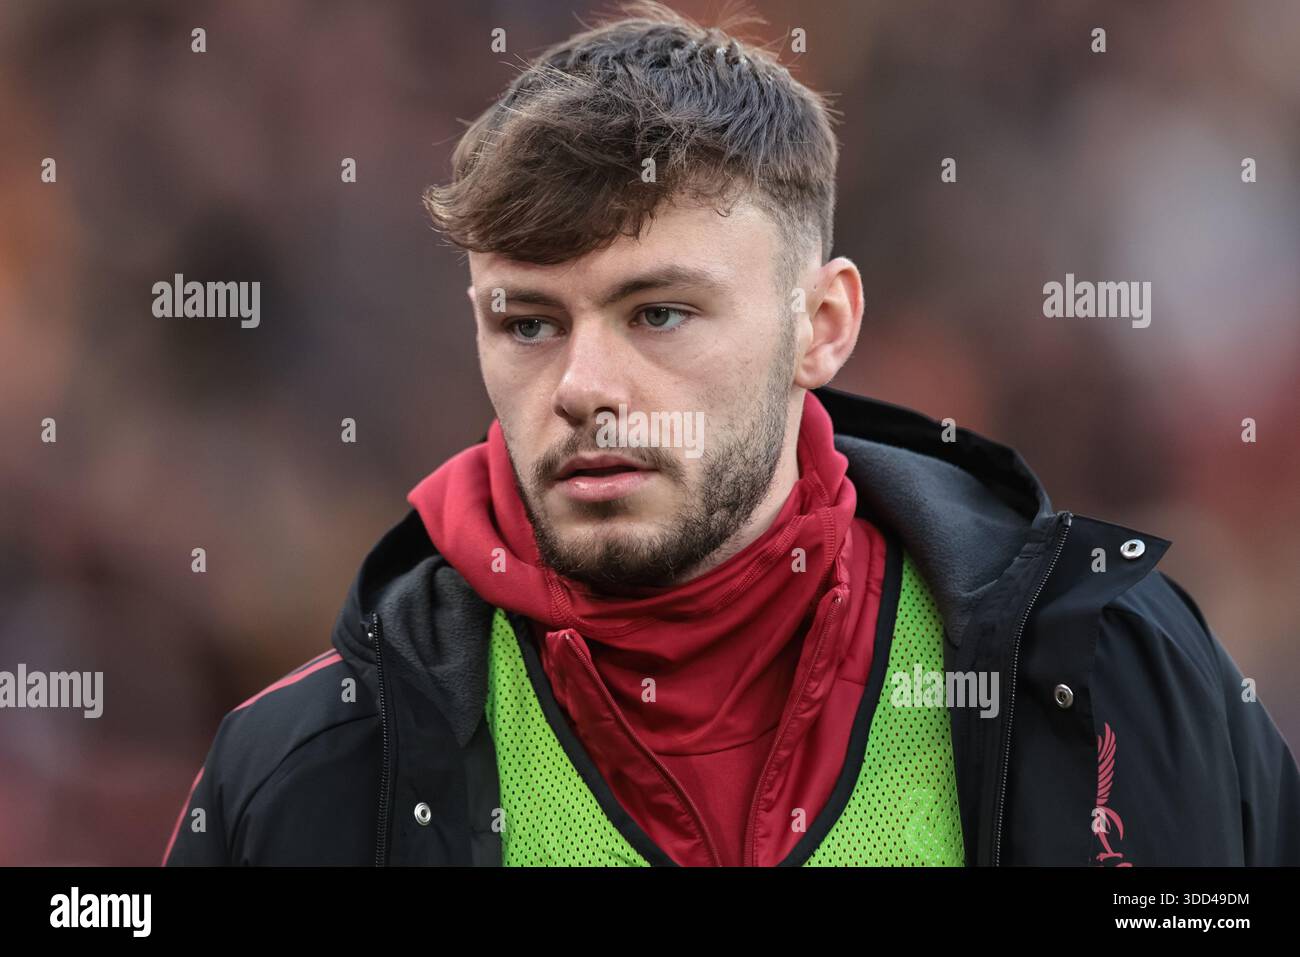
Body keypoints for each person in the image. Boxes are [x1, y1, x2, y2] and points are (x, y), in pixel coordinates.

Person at [163, 2, 1299, 867]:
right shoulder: (304, 775)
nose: (583, 386)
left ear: (823, 326)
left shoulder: (1117, 672)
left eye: (659, 312)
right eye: (527, 322)